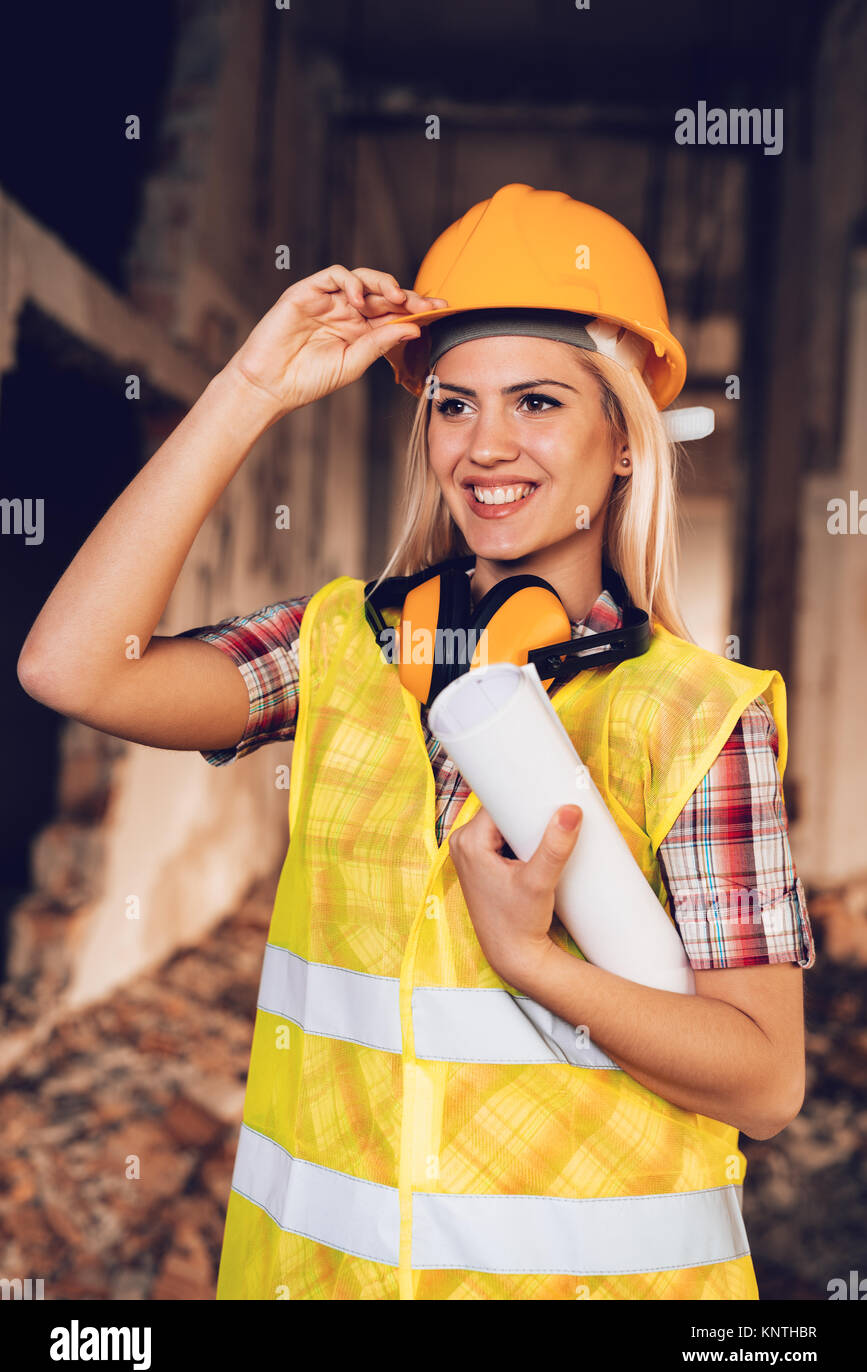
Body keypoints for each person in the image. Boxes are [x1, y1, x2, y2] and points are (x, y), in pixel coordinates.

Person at [18, 184, 814, 1301]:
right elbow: (73, 665)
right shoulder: (340, 646)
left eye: (537, 402)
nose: (485, 446)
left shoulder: (694, 712)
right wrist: (248, 390)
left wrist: (532, 958)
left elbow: (768, 1083)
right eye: (452, 405)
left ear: (625, 438)